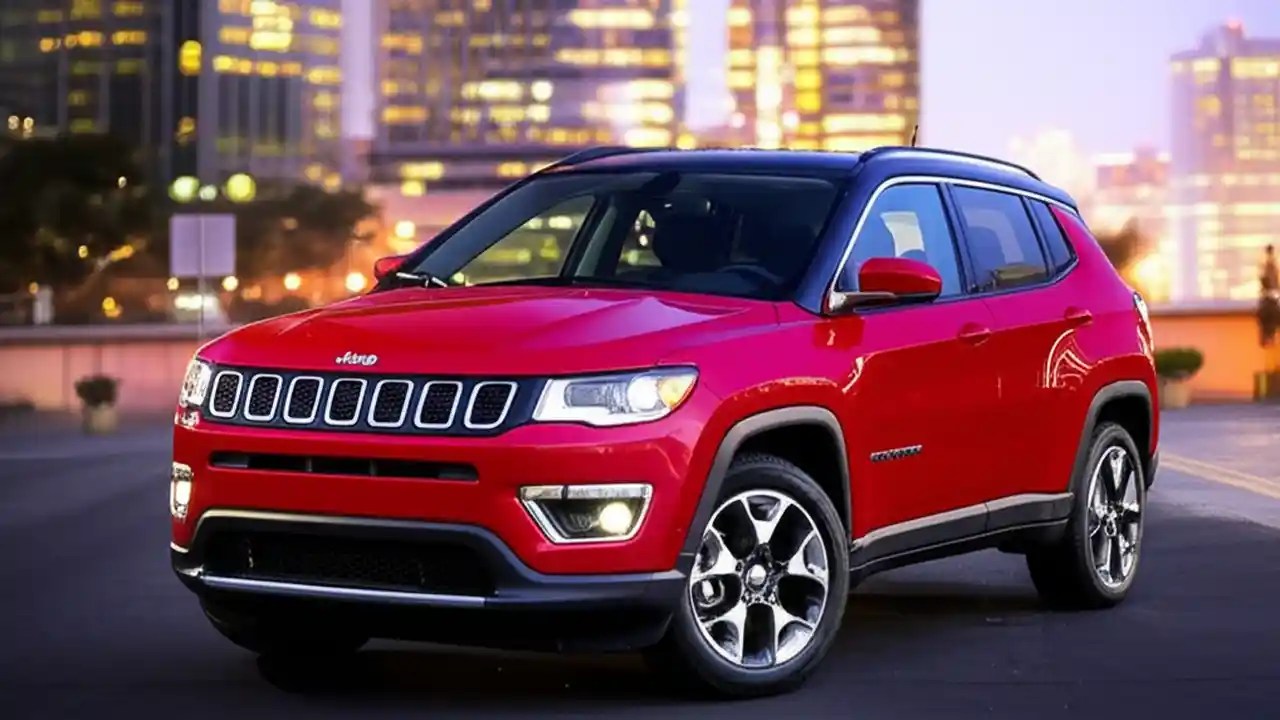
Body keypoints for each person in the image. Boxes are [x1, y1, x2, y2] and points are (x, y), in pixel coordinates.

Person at [1260, 245, 1280, 349]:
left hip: (1274, 298)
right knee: (1267, 319)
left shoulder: (1275, 266)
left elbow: (1276, 282)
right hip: (1267, 299)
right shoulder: (1264, 266)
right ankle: (1267, 338)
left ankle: (1272, 337)